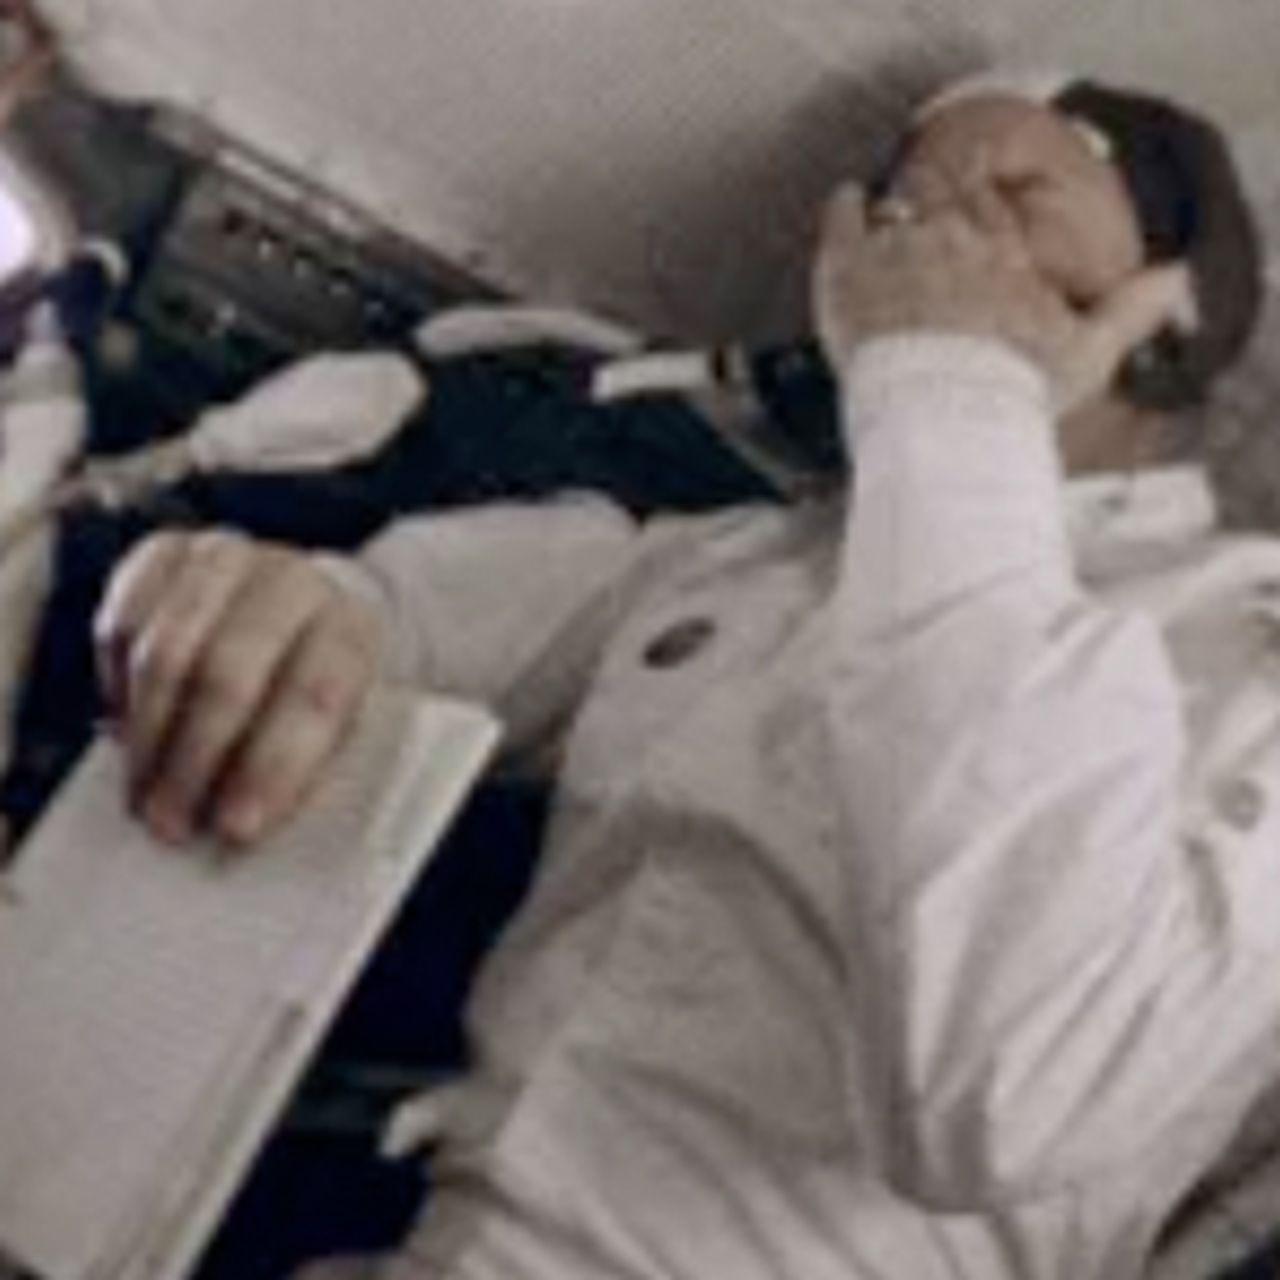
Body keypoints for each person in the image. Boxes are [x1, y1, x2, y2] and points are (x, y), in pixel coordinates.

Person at [93, 74, 1272, 1278]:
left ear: (1168, 316)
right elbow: (396, 617)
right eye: (908, 207)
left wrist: (953, 390)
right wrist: (255, 603)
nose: (941, 244)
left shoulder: (1246, 664)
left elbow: (1004, 1089)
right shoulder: (734, 561)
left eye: (1015, 199)